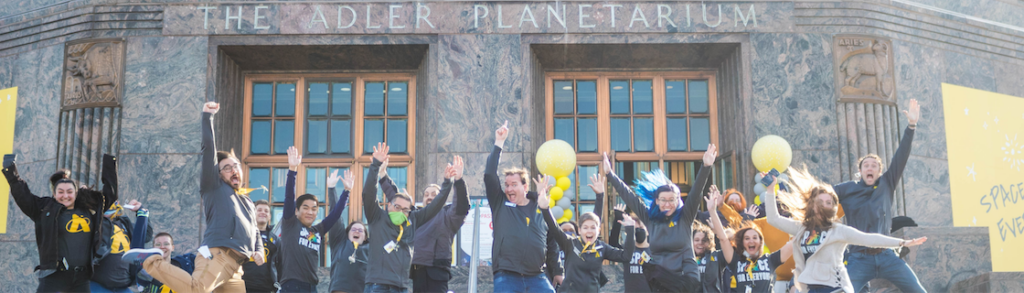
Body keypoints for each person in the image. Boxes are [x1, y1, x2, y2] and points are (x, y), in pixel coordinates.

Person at [123, 101, 264, 293]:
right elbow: (208, 151)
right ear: (219, 174)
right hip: (217, 256)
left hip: (236, 267)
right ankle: (150, 261)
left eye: (236, 166)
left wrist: (259, 250)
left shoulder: (247, 201)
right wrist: (208, 117)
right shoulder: (214, 187)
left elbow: (255, 231)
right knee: (197, 289)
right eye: (227, 168)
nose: (233, 170)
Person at [764, 168, 927, 293]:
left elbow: (869, 239)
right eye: (820, 201)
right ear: (812, 205)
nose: (824, 205)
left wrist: (902, 242)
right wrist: (770, 190)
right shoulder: (801, 228)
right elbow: (773, 219)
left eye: (828, 203)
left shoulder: (837, 230)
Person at [833, 99, 924, 293]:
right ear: (860, 170)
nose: (870, 167)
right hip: (858, 258)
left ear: (879, 171)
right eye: (866, 165)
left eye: (874, 165)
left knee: (918, 290)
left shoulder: (886, 183)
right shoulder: (846, 189)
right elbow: (820, 197)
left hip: (887, 255)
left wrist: (911, 126)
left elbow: (901, 156)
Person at [602, 144, 716, 293]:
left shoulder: (685, 217)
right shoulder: (650, 219)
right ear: (656, 201)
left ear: (678, 201)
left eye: (672, 200)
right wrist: (610, 174)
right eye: (663, 200)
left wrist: (706, 166)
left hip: (685, 278)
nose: (667, 204)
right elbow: (629, 197)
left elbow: (696, 192)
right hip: (661, 280)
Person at [3, 153, 117, 293]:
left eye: (69, 192)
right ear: (54, 194)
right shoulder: (44, 209)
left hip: (82, 278)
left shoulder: (88, 209)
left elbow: (110, 194)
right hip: (54, 277)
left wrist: (109, 163)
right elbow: (23, 196)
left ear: (76, 193)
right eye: (60, 192)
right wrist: (11, 171)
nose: (65, 196)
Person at [362, 142, 453, 293]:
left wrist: (447, 182)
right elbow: (368, 194)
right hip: (378, 285)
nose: (401, 212)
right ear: (389, 205)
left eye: (405, 209)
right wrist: (376, 165)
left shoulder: (413, 220)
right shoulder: (376, 216)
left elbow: (435, 206)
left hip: (401, 287)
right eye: (397, 207)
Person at [485, 121, 560, 293]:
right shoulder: (499, 203)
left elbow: (553, 242)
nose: (509, 189)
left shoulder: (541, 208)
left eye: (514, 184)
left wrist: (558, 271)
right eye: (507, 185)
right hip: (507, 276)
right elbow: (489, 174)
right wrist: (499, 143)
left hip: (537, 277)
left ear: (525, 187)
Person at [276, 146, 352, 293]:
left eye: (314, 209)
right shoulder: (290, 223)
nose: (310, 212)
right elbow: (289, 197)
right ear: (296, 211)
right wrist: (292, 169)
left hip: (311, 287)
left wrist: (346, 191)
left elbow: (335, 214)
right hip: (291, 285)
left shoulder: (318, 231)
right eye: (305, 207)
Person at [540, 174, 632, 292]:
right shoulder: (570, 243)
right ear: (579, 230)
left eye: (593, 228)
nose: (589, 231)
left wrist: (630, 229)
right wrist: (545, 208)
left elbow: (626, 256)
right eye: (585, 228)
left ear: (598, 231)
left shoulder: (601, 247)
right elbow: (554, 227)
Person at [400, 156, 469, 293]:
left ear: (441, 197)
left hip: (437, 272)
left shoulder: (447, 215)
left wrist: (459, 181)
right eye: (426, 194)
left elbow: (462, 207)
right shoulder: (415, 218)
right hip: (417, 273)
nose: (429, 197)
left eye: (434, 194)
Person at [707, 185, 792, 293]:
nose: (751, 240)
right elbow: (723, 238)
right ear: (742, 242)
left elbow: (793, 242)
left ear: (761, 241)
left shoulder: (770, 260)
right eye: (747, 238)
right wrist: (713, 211)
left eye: (755, 237)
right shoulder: (735, 260)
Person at [91, 199, 153, 293]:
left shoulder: (124, 224)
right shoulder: (93, 225)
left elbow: (146, 235)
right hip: (97, 285)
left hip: (122, 287)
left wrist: (140, 210)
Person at [609, 204, 652, 293]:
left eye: (640, 228)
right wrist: (618, 220)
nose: (638, 231)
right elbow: (613, 245)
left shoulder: (655, 250)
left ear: (647, 231)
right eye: (634, 229)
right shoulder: (627, 251)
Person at [242, 199, 281, 293]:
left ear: (269, 216)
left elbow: (280, 265)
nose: (263, 212)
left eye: (266, 211)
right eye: (259, 210)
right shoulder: (242, 234)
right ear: (252, 214)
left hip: (266, 287)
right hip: (243, 285)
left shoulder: (275, 240)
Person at [329, 220, 370, 293]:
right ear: (348, 234)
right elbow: (336, 219)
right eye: (353, 229)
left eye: (360, 230)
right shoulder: (339, 244)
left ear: (365, 237)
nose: (356, 231)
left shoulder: (371, 249)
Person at [692, 221, 726, 293]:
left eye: (704, 240)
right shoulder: (686, 257)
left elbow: (729, 245)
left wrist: (717, 231)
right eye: (697, 240)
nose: (700, 243)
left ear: (709, 242)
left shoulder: (717, 256)